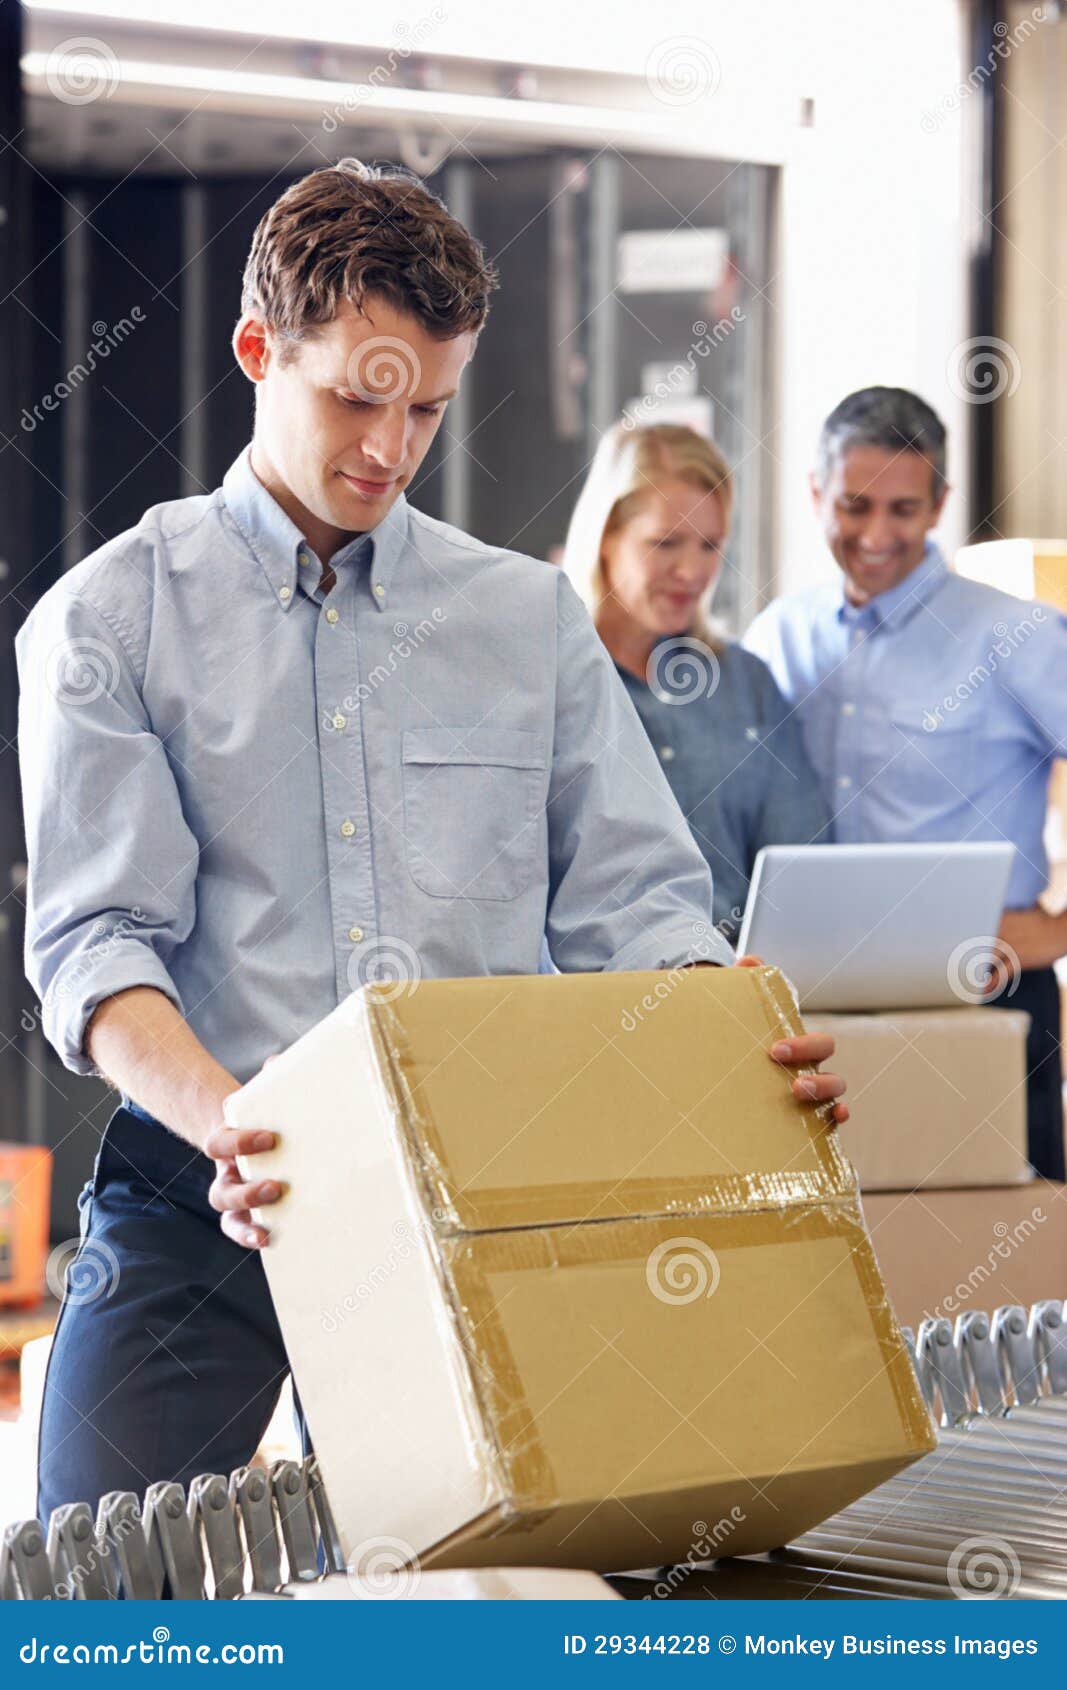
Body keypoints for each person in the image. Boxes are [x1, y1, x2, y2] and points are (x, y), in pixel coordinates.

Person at [16, 161, 847, 1524]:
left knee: (507, 1581)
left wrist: (727, 1044)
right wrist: (240, 1125)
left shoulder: (523, 622)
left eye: (427, 408)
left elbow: (635, 901)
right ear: (256, 351)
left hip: (478, 1191)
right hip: (200, 1185)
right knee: (97, 1587)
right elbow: (96, 948)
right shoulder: (111, 618)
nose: (388, 449)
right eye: (356, 394)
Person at [744, 385, 1067, 1179]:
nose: (876, 535)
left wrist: (1057, 928)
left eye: (903, 508)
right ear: (816, 494)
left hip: (983, 994)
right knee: (853, 1248)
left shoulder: (1013, 634)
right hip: (819, 998)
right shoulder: (778, 636)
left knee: (1009, 1255)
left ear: (940, 504)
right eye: (853, 506)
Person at [562, 422, 829, 944]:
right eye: (666, 543)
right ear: (605, 539)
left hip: (738, 986)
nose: (692, 571)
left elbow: (803, 867)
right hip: (591, 999)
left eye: (710, 545)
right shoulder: (553, 681)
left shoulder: (746, 684)